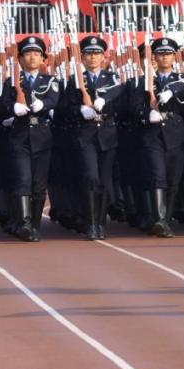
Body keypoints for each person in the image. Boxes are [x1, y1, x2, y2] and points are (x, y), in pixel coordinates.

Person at [61, 35, 124, 240]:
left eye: (97, 53)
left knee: (104, 180)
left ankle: (100, 222)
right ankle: (91, 222)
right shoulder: (75, 81)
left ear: (103, 57)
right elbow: (65, 108)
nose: (93, 57)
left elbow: (118, 93)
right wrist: (80, 109)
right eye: (89, 53)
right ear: (83, 57)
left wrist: (103, 100)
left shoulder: (112, 78)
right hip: (85, 135)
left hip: (107, 133)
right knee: (90, 177)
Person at [0, 36, 60, 242]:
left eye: (36, 53)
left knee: (39, 184)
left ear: (43, 58)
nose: (32, 57)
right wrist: (13, 107)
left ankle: (34, 224)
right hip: (20, 135)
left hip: (42, 136)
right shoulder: (12, 82)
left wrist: (44, 104)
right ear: (20, 58)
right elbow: (3, 104)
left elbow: (54, 99)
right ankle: (24, 223)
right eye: (28, 53)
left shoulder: (50, 81)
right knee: (23, 180)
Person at [132, 37, 184, 237]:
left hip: (174, 133)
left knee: (173, 178)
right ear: (154, 57)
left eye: (168, 54)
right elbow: (134, 106)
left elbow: (183, 88)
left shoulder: (181, 78)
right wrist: (147, 114)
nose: (165, 57)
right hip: (153, 134)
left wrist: (169, 92)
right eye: (161, 54)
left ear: (174, 57)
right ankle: (159, 219)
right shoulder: (144, 81)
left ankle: (166, 219)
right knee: (158, 176)